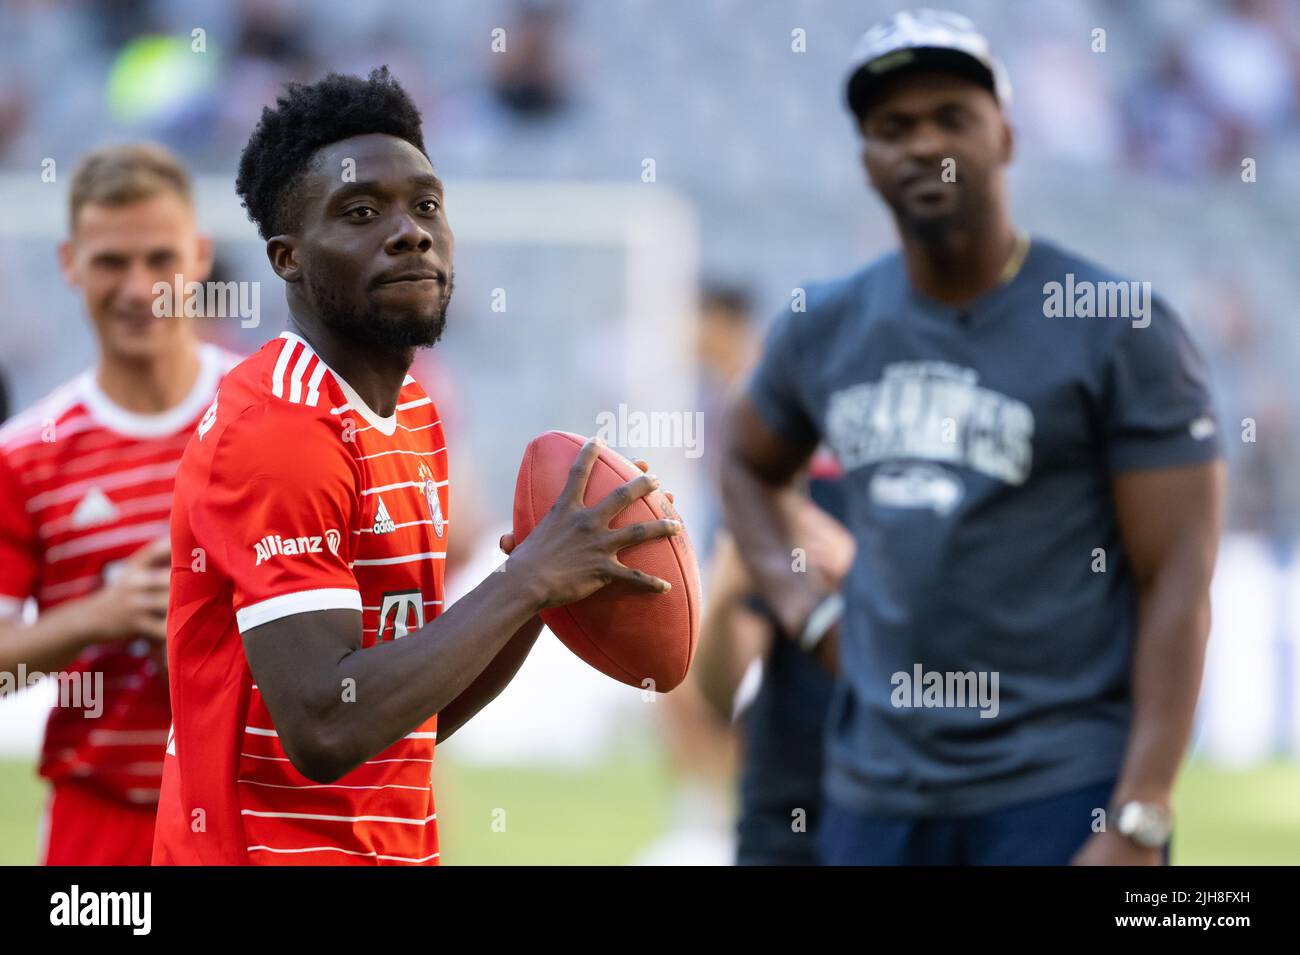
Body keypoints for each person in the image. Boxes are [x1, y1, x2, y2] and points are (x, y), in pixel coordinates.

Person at [719, 10, 1224, 865]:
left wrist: (1141, 810)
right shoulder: (829, 325)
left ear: (1008, 135)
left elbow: (1178, 573)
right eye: (894, 128)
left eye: (951, 117)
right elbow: (743, 460)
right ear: (867, 158)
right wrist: (806, 607)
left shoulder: (1115, 324)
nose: (922, 146)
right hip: (874, 788)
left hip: (1059, 786)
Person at [152, 67, 683, 866]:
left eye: (426, 205)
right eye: (362, 212)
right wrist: (523, 583)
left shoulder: (416, 414)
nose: (410, 232)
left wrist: (542, 591)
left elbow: (409, 714)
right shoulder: (279, 430)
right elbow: (326, 725)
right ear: (288, 256)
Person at [0, 143, 237, 864]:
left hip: (249, 812)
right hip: (102, 824)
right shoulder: (24, 455)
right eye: (111, 262)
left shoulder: (269, 418)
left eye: (159, 259)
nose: (139, 288)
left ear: (197, 257)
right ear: (70, 263)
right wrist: (101, 617)